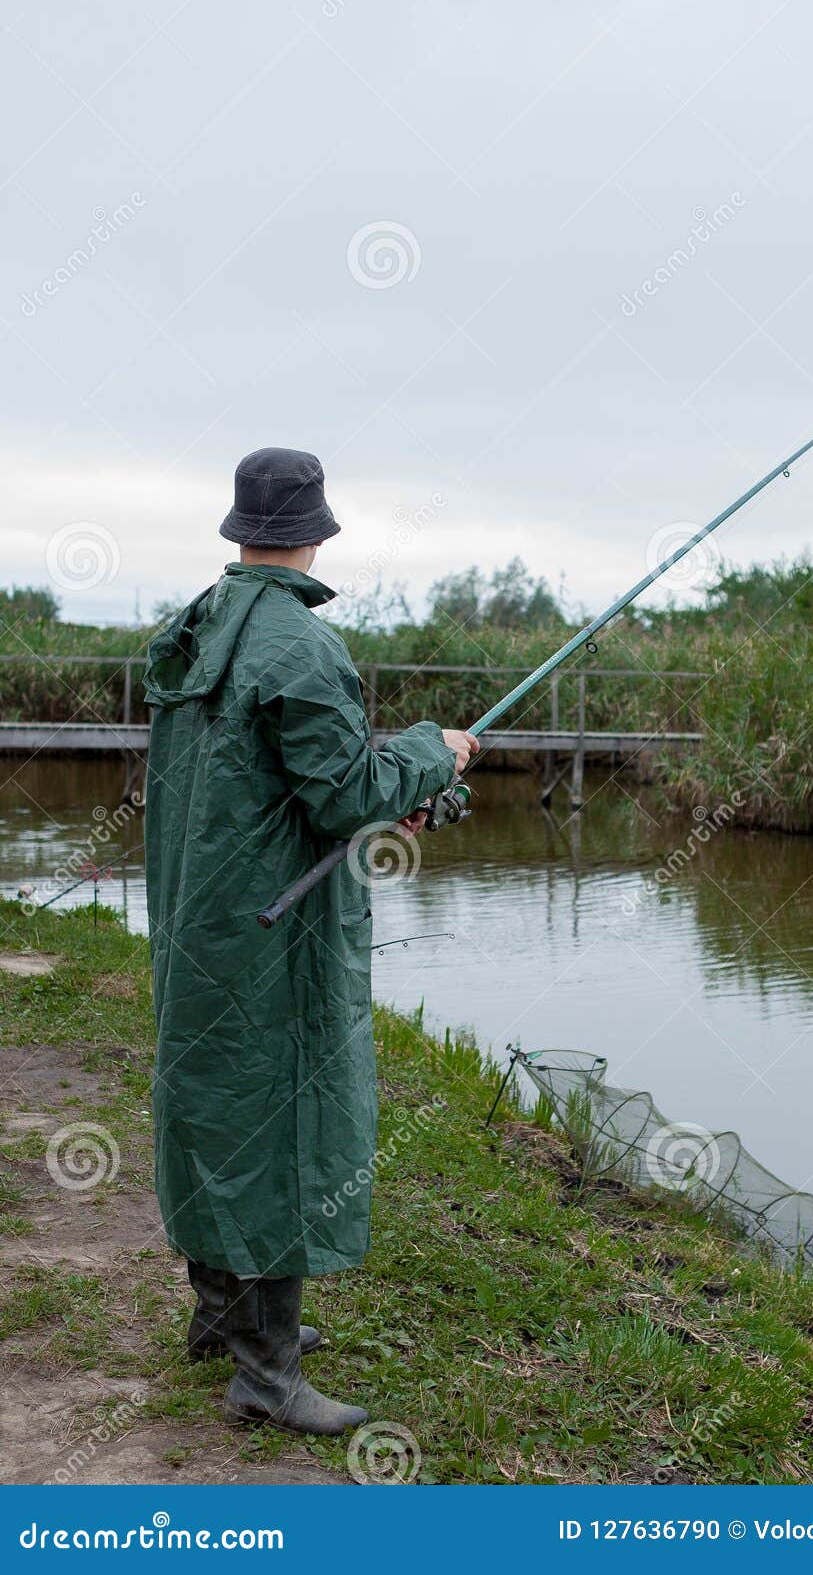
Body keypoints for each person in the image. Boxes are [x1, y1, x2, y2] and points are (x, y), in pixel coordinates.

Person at [143, 447, 477, 1433]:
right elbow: (347, 795)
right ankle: (266, 1373)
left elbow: (281, 777)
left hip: (200, 917)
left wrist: (395, 791)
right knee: (281, 1119)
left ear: (240, 530)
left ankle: (219, 1315)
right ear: (320, 532)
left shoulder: (197, 628)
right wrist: (432, 753)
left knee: (210, 1101)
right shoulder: (303, 647)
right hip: (272, 933)